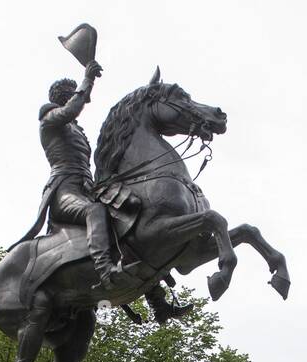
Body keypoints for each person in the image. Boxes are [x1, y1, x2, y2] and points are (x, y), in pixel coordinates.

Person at [13, 58, 191, 323]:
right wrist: (87, 81)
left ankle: (158, 303)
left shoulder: (75, 130)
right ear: (61, 97)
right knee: (96, 210)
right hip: (64, 190)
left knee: (132, 220)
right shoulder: (50, 119)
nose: (76, 98)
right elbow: (72, 109)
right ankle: (105, 269)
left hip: (86, 188)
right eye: (70, 94)